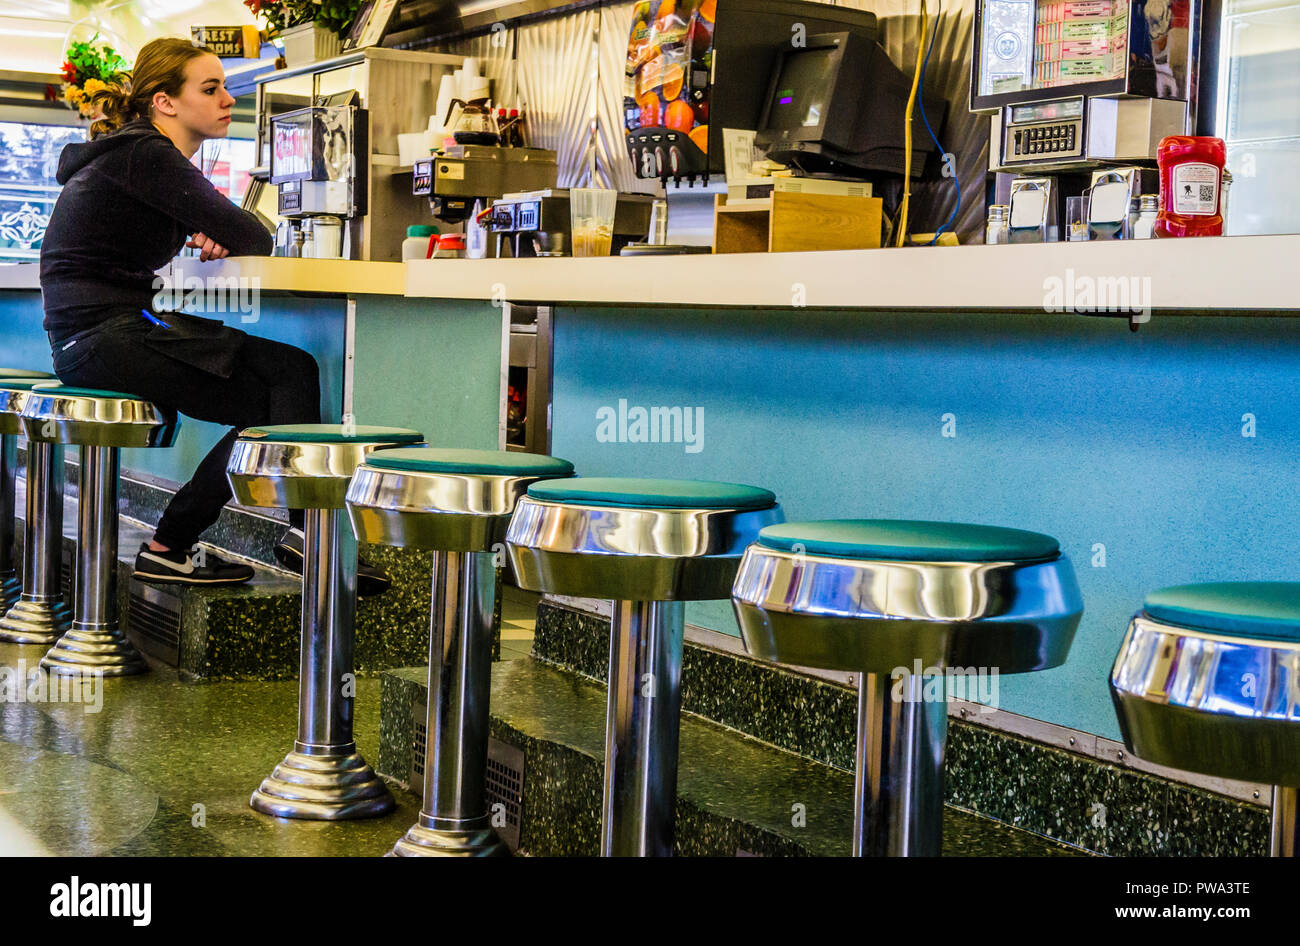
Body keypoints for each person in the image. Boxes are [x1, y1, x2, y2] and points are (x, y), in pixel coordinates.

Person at [40, 37, 388, 595]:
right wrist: (219, 232)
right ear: (164, 103)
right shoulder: (147, 154)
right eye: (211, 88)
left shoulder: (135, 156)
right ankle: (246, 540)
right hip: (106, 335)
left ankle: (177, 546)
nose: (228, 99)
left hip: (89, 337)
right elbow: (254, 234)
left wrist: (207, 231)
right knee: (288, 381)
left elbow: (212, 231)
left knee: (277, 402)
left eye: (225, 87)